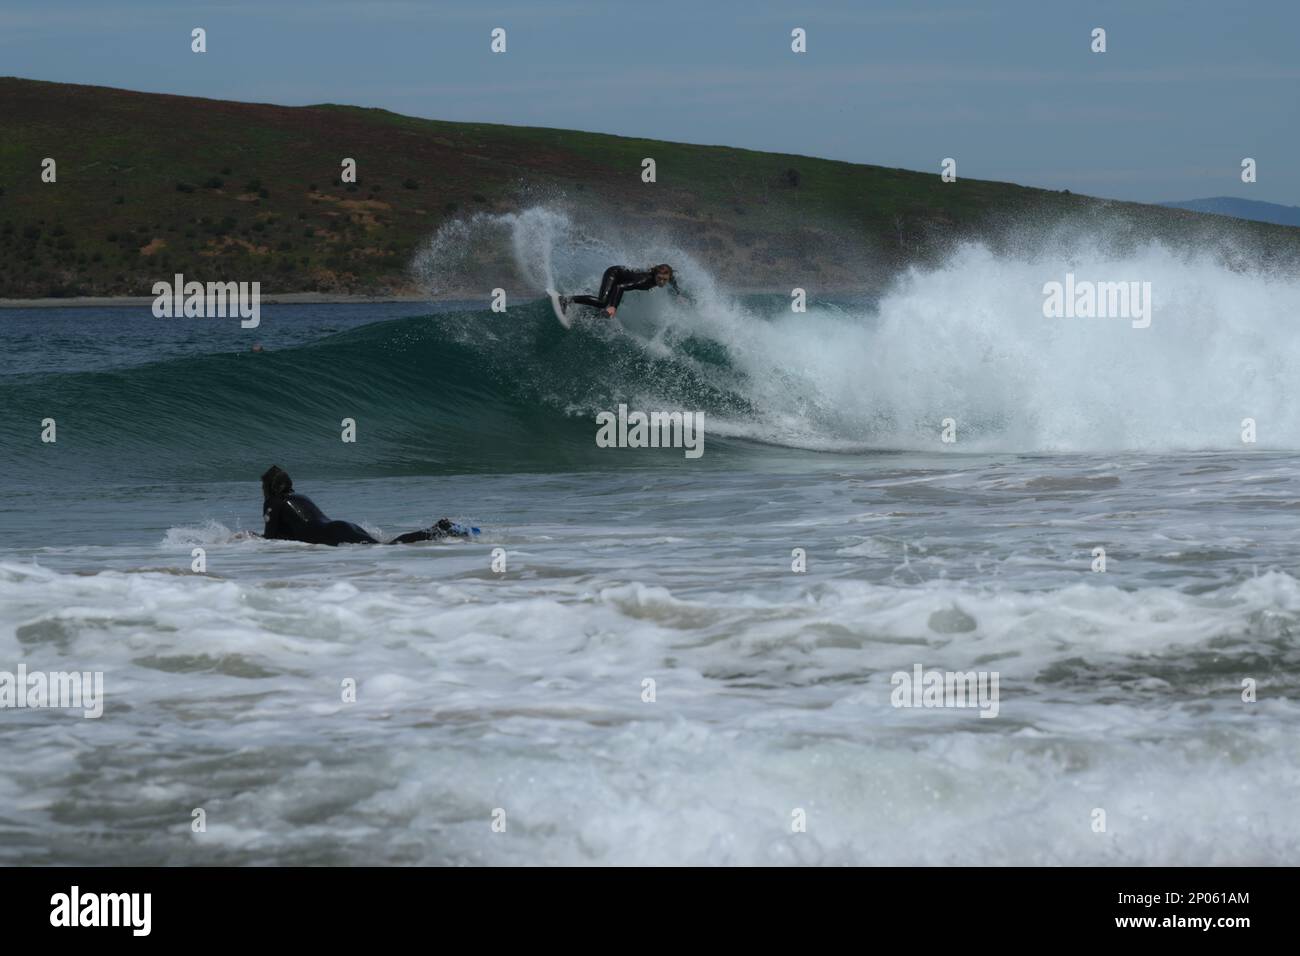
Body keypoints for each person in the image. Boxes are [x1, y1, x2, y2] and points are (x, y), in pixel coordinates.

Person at [258, 465, 471, 545]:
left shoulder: (273, 502)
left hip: (335, 534)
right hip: (342, 527)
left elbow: (270, 539)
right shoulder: (301, 498)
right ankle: (439, 530)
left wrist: (246, 539)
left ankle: (439, 529)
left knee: (391, 547)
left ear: (268, 487)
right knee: (388, 545)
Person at [560, 263, 683, 318]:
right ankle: (566, 299)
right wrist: (614, 306)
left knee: (605, 313)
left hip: (621, 280)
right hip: (614, 274)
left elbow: (673, 281)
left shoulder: (669, 277)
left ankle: (583, 314)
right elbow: (620, 287)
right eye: (659, 279)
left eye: (664, 280)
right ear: (655, 275)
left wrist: (678, 294)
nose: (661, 282)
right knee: (603, 303)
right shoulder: (644, 280)